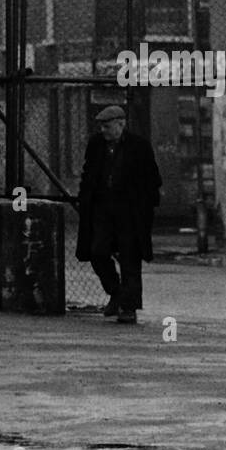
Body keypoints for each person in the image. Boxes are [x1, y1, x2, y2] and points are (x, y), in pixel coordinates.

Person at [75, 105, 161, 324]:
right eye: (102, 127)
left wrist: (144, 206)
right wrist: (86, 200)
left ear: (121, 124)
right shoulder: (96, 145)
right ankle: (117, 292)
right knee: (97, 252)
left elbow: (152, 179)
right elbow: (88, 173)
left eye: (107, 126)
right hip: (103, 209)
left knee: (130, 257)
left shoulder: (139, 147)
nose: (103, 130)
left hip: (130, 212)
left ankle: (128, 308)